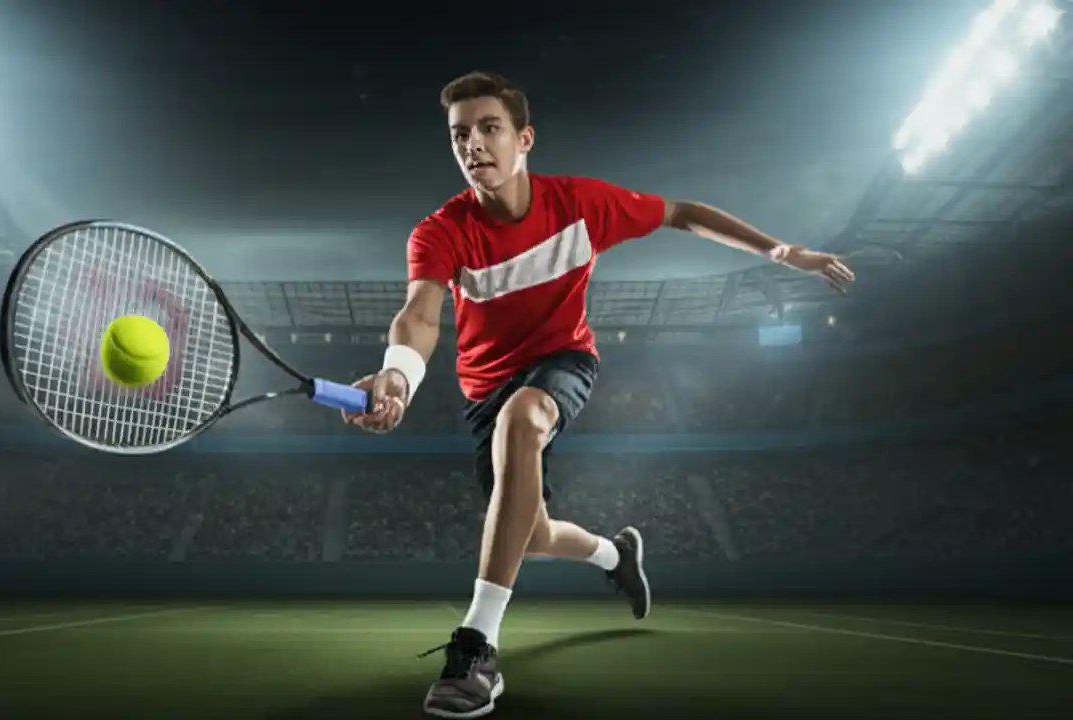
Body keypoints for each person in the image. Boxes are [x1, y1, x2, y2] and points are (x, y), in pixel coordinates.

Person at [341, 70, 856, 718]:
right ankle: (617, 553)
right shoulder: (441, 231)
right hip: (484, 388)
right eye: (460, 135)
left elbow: (683, 213)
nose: (473, 144)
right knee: (528, 535)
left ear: (524, 138)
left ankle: (476, 647)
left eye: (489, 128)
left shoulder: (584, 205)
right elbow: (419, 313)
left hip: (563, 360)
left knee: (523, 418)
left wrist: (784, 250)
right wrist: (398, 377)